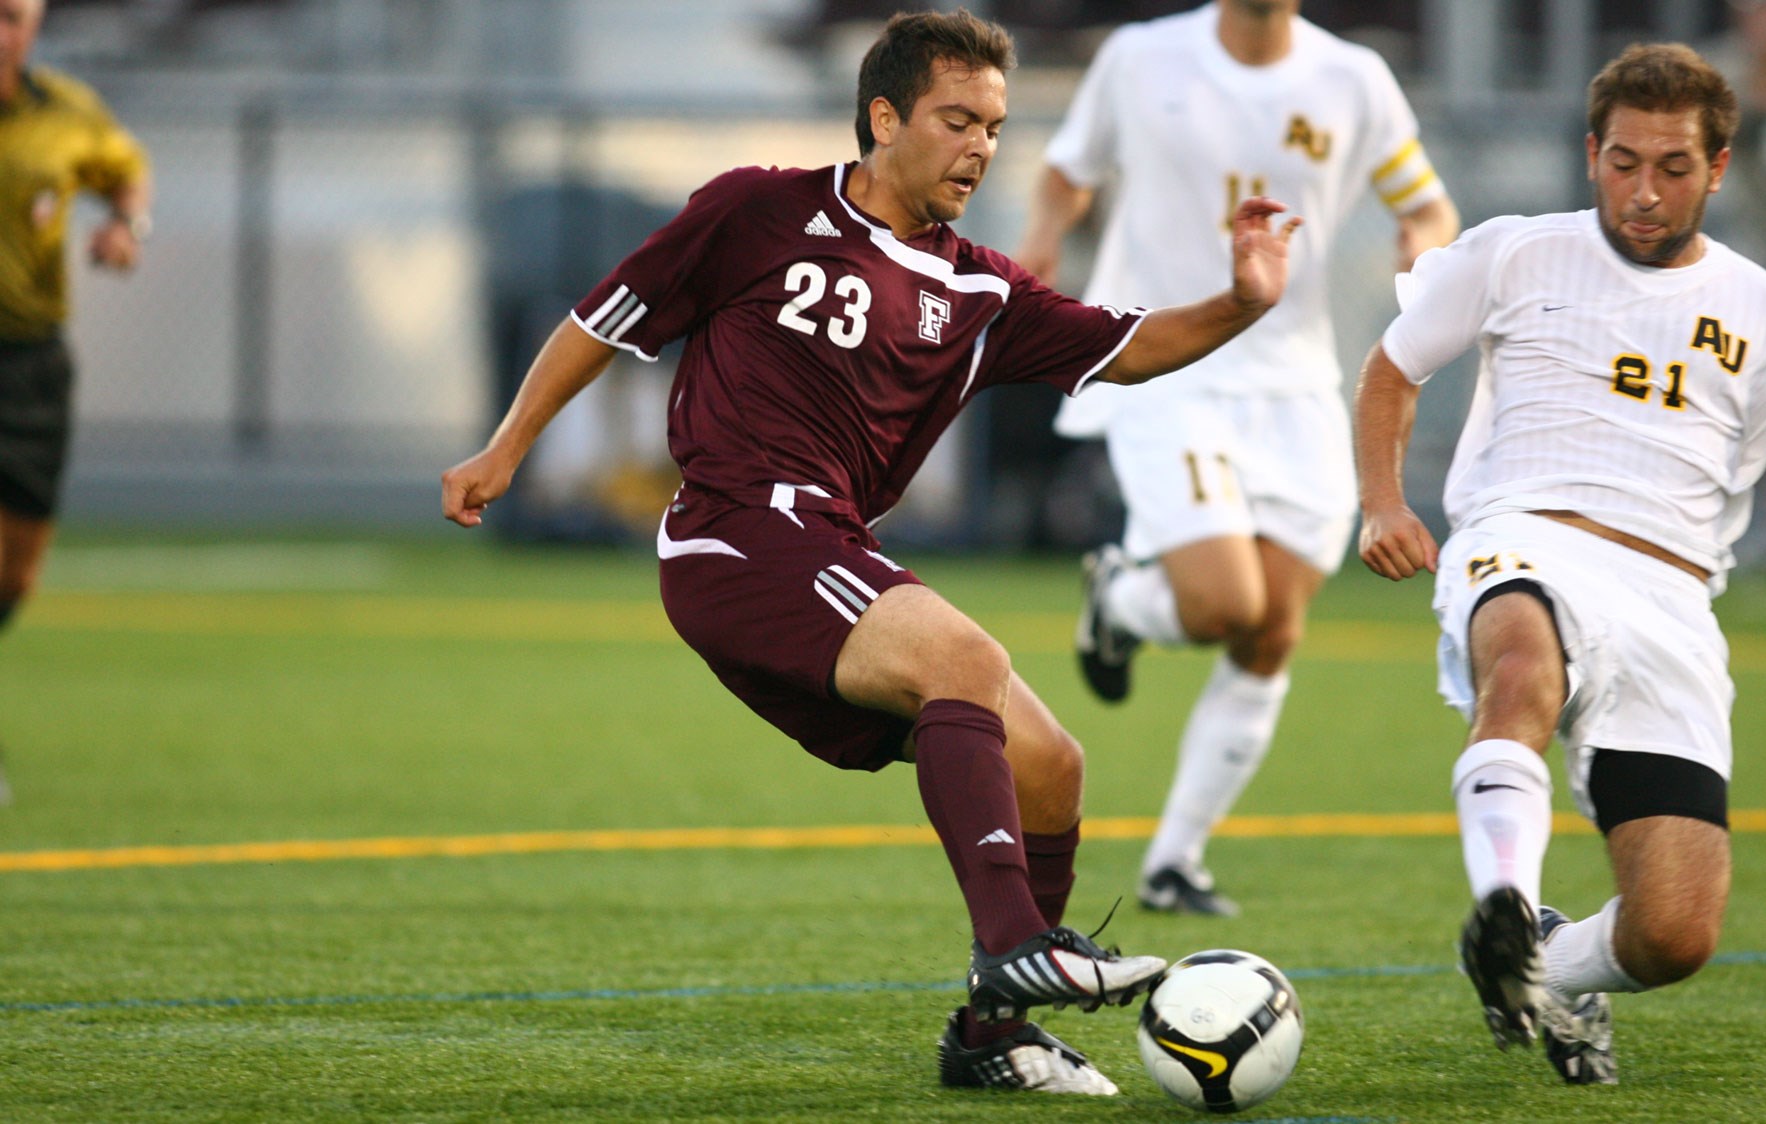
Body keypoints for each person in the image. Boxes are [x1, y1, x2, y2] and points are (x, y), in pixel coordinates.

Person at [441, 9, 1301, 1098]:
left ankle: (993, 1032)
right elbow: (603, 318)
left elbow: (1129, 350)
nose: (980, 147)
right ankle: (1013, 946)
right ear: (883, 117)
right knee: (965, 661)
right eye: (956, 120)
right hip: (734, 529)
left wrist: (1241, 298)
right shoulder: (755, 209)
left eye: (992, 125)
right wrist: (502, 448)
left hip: (828, 545)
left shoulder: (983, 293)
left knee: (1052, 764)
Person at [1353, 43, 1766, 1086]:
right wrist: (1379, 502)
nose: (1642, 190)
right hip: (1523, 532)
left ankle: (1548, 957)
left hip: (1672, 598)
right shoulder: (1512, 253)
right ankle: (1499, 895)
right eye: (1622, 161)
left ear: (1716, 169)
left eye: (1671, 167)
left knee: (1673, 931)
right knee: (1518, 670)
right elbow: (1392, 369)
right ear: (1590, 153)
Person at [1014, 0, 1459, 917]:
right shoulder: (1139, 58)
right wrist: (1042, 246)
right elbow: (1066, 172)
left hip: (1297, 388)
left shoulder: (1354, 79)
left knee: (1272, 631)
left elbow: (1424, 202)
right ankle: (1123, 600)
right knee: (1224, 601)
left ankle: (1174, 862)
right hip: (1166, 363)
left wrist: (1424, 249)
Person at [0, 0, 151, 803]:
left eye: (15, 18)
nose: (3, 33)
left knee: (15, 575)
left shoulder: (65, 112)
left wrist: (128, 225)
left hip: (30, 362)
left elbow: (124, 169)